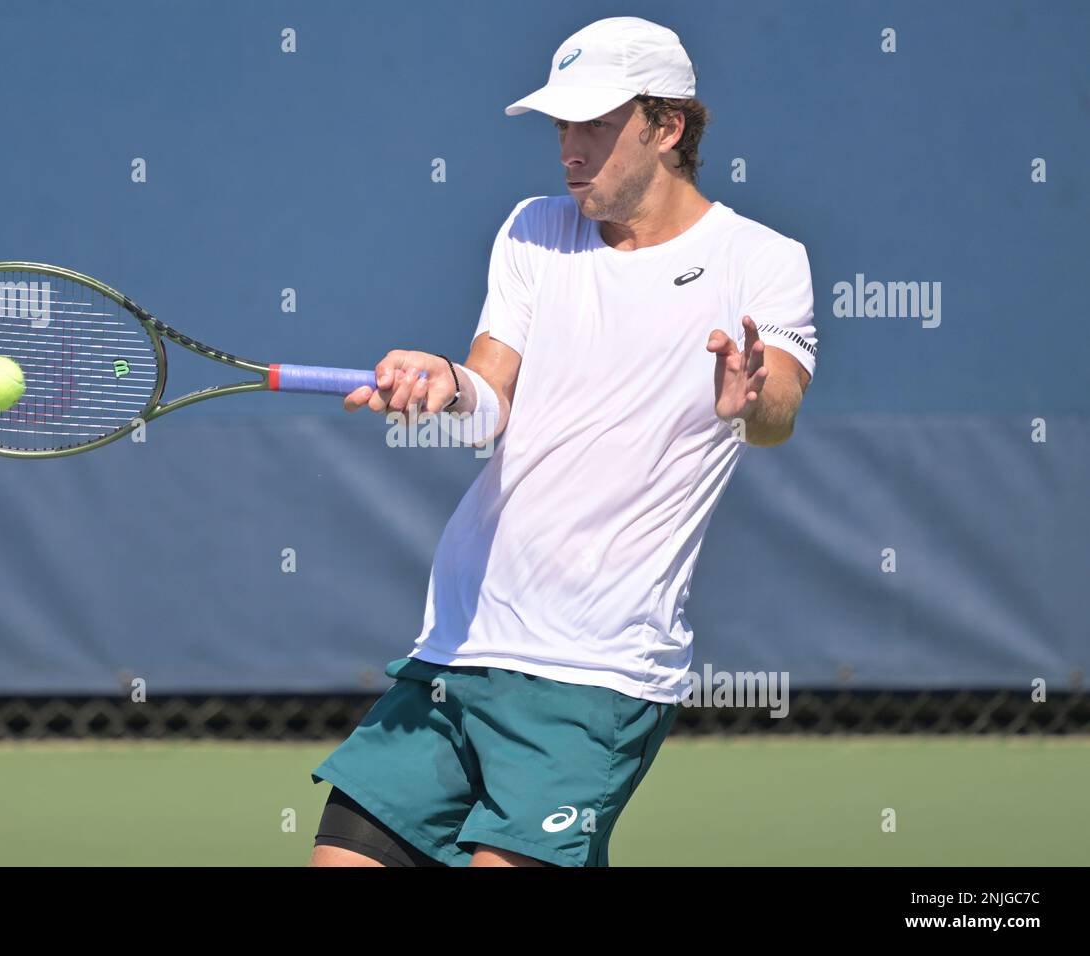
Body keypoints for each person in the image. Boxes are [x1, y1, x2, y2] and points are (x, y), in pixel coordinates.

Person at [309, 16, 816, 867]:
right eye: (561, 126)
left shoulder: (762, 260)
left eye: (595, 125)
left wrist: (749, 396)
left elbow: (778, 415)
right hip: (458, 647)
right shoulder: (533, 229)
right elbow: (488, 395)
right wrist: (439, 384)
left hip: (597, 674)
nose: (569, 150)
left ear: (667, 126)